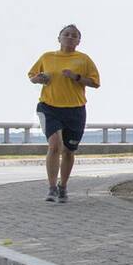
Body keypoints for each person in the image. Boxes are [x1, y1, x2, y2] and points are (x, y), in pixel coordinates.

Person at [27, 24, 100, 203]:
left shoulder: (84, 59)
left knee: (68, 151)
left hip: (75, 110)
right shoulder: (47, 57)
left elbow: (95, 83)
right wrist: (40, 79)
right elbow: (32, 76)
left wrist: (76, 77)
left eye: (74, 35)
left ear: (78, 41)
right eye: (66, 34)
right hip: (49, 107)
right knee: (54, 145)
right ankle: (51, 188)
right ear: (59, 38)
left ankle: (63, 186)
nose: (69, 37)